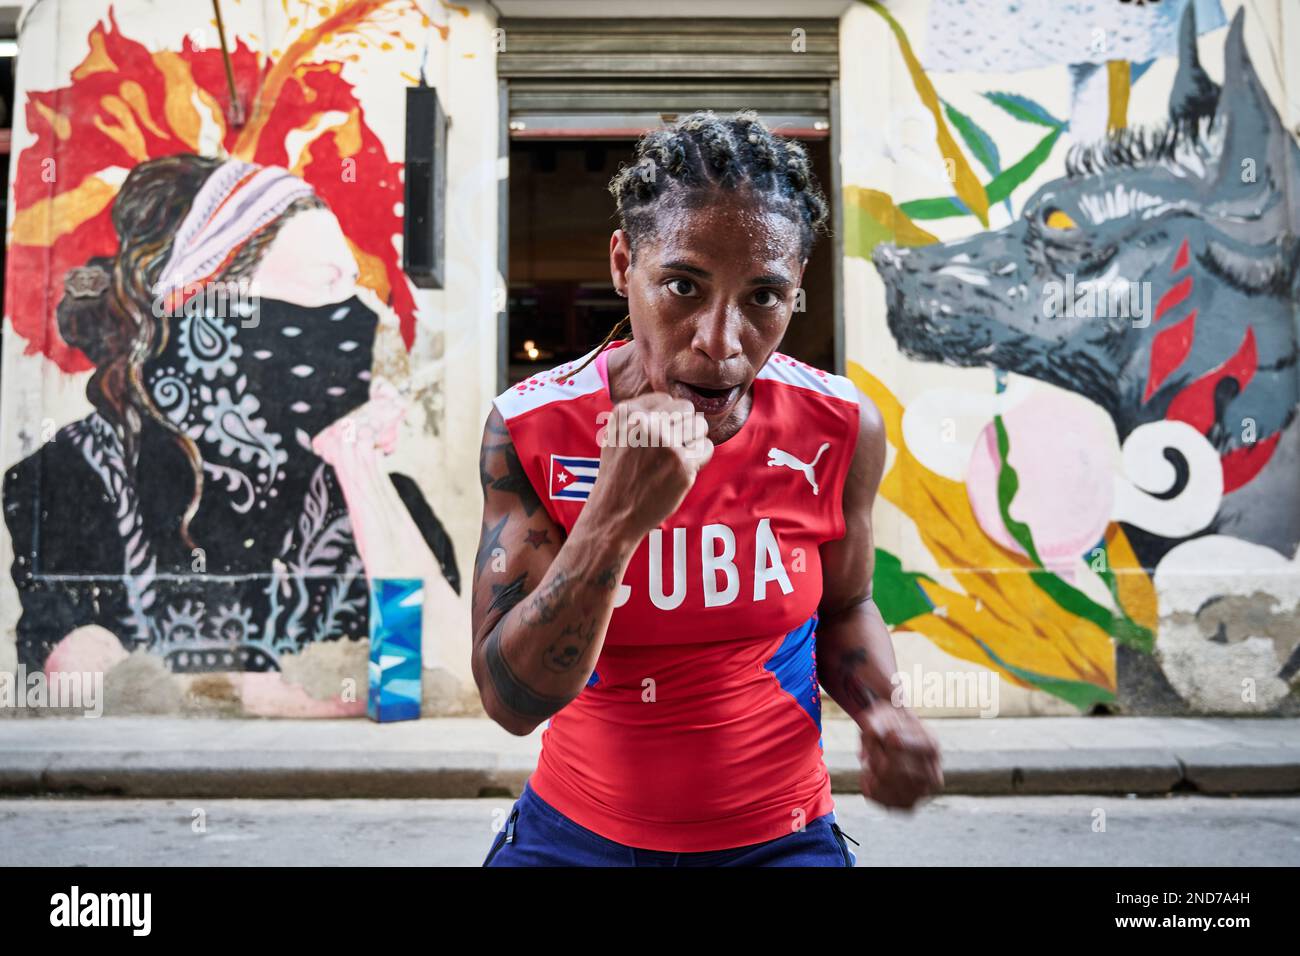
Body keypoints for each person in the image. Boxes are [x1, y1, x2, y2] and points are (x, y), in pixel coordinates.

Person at [472, 110, 943, 867]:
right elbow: (510, 701)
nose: (720, 343)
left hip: (779, 839)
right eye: (683, 285)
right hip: (572, 839)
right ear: (624, 264)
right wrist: (613, 520)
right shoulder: (532, 426)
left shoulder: (840, 426)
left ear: (796, 294)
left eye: (763, 296)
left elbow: (846, 606)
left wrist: (883, 710)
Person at [3, 154, 459, 679]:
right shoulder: (69, 480)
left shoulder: (388, 503)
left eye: (357, 285)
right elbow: (91, 687)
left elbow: (434, 681)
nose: (369, 315)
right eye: (325, 280)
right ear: (206, 306)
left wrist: (360, 472)